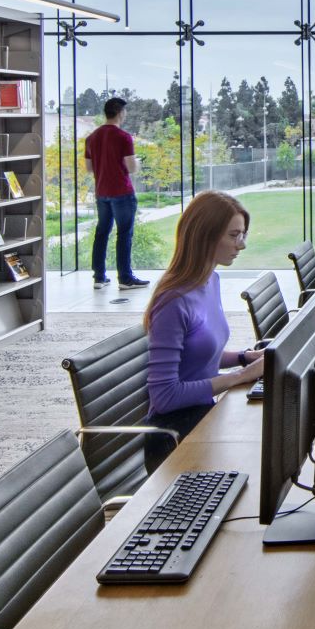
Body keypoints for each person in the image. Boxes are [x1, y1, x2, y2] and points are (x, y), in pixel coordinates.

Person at [141, 191, 265, 443]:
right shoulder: (174, 301)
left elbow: (197, 353)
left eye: (243, 235)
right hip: (175, 434)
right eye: (233, 235)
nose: (241, 245)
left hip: (204, 415)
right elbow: (164, 397)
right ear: (204, 236)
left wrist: (244, 358)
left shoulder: (210, 281)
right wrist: (241, 376)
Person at [85, 98, 144, 290]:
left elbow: (89, 168)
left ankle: (99, 277)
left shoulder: (92, 138)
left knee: (102, 233)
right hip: (122, 192)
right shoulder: (123, 137)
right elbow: (132, 167)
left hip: (101, 193)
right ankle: (125, 278)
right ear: (120, 112)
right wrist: (138, 162)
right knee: (124, 234)